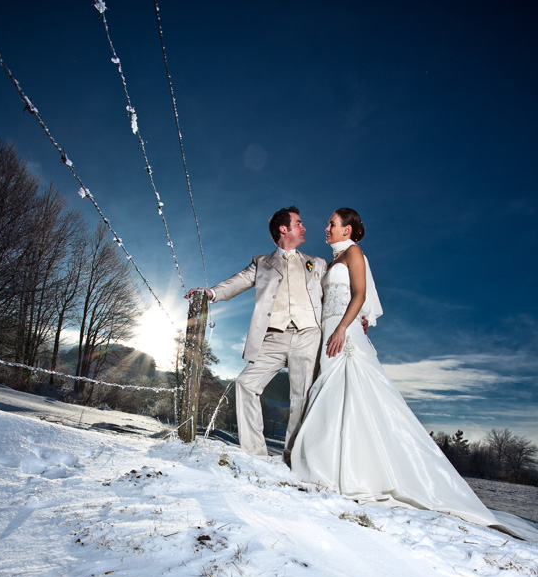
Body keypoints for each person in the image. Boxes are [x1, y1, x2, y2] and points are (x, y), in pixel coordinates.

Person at [291, 208, 500, 529]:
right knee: (335, 395)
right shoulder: (331, 262)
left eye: (332, 224)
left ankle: (360, 471)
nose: (326, 227)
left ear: (347, 230)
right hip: (330, 328)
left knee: (352, 390)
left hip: (342, 333)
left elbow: (359, 295)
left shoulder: (354, 253)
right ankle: (338, 465)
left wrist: (343, 329)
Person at [186, 207, 327, 463]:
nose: (304, 227)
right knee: (245, 384)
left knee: (302, 398)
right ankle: (255, 455)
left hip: (309, 334)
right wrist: (211, 293)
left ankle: (292, 459)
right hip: (272, 336)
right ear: (284, 229)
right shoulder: (261, 263)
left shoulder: (317, 263)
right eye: (299, 223)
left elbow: (331, 297)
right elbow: (237, 281)